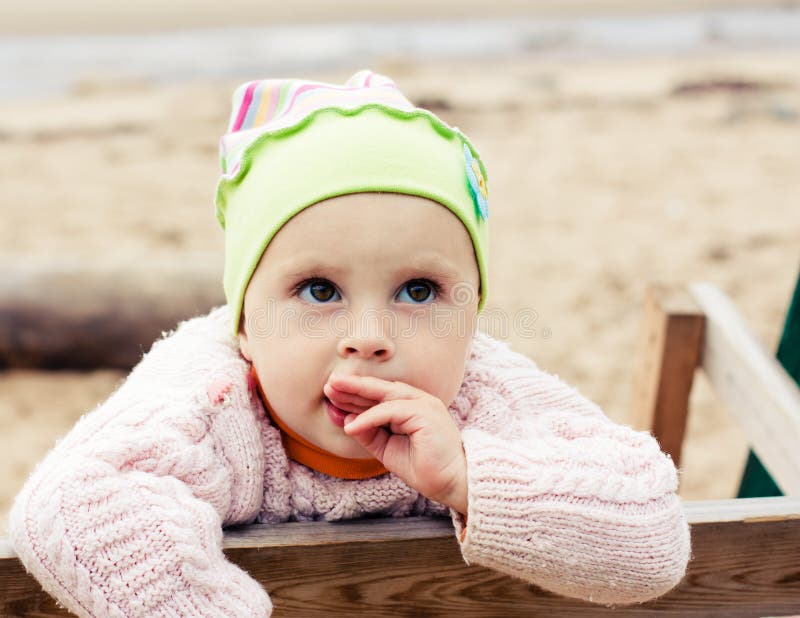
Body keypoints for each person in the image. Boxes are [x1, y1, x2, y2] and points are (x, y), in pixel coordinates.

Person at [9, 69, 691, 616]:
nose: (367, 340)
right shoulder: (211, 402)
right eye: (319, 291)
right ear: (243, 323)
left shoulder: (484, 394)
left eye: (418, 291)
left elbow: (654, 538)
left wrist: (470, 478)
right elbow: (71, 504)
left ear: (473, 319)